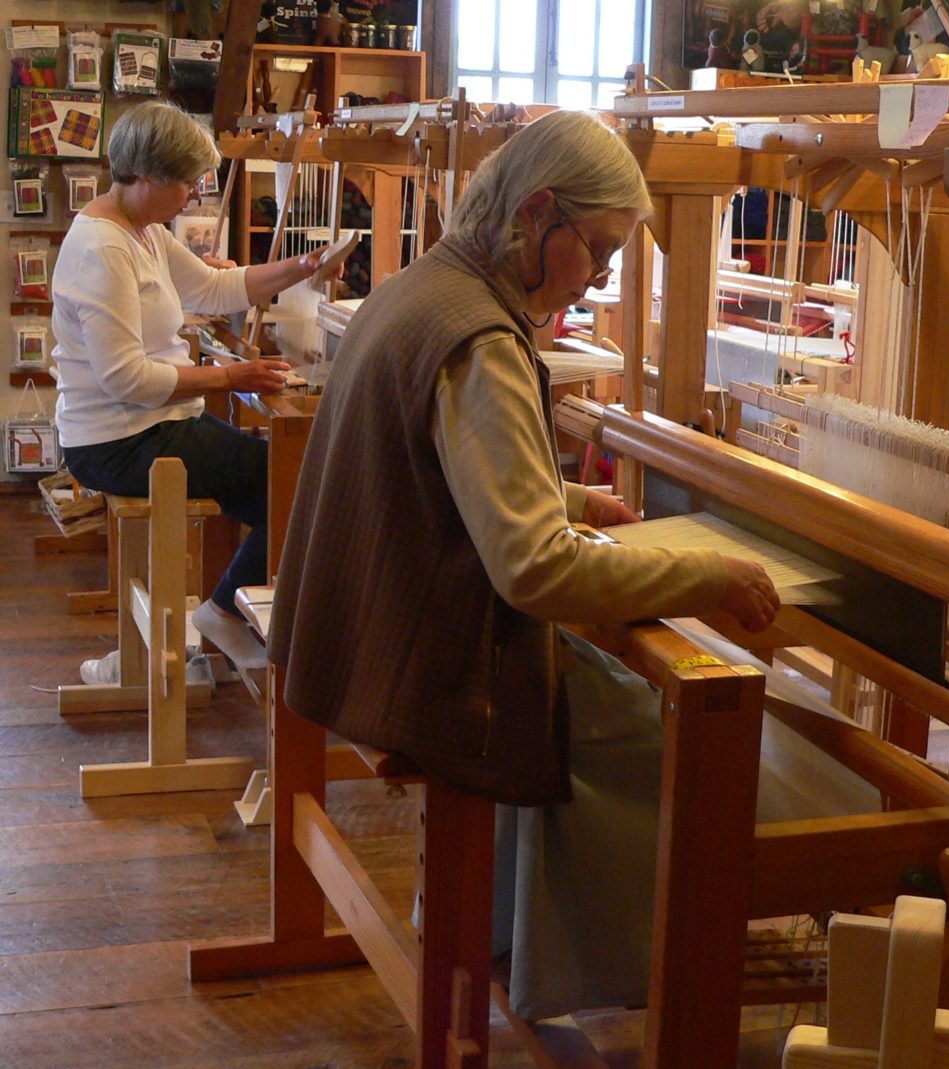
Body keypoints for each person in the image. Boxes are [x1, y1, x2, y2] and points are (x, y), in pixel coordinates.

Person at [267, 109, 781, 1021]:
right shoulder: (485, 341)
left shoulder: (426, 286)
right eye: (600, 250)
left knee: (607, 701)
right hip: (413, 669)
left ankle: (517, 938)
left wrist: (573, 500)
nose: (604, 276)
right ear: (538, 211)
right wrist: (707, 573)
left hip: (349, 633)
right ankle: (609, 978)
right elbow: (534, 572)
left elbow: (439, 470)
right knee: (682, 743)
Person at [52, 99, 333, 683]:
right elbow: (125, 378)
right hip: (118, 440)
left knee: (284, 477)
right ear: (149, 176)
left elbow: (214, 286)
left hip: (152, 425)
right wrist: (231, 377)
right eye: (188, 182)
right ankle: (223, 616)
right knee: (299, 487)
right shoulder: (105, 250)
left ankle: (221, 617)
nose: (193, 195)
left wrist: (304, 266)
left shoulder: (142, 230)